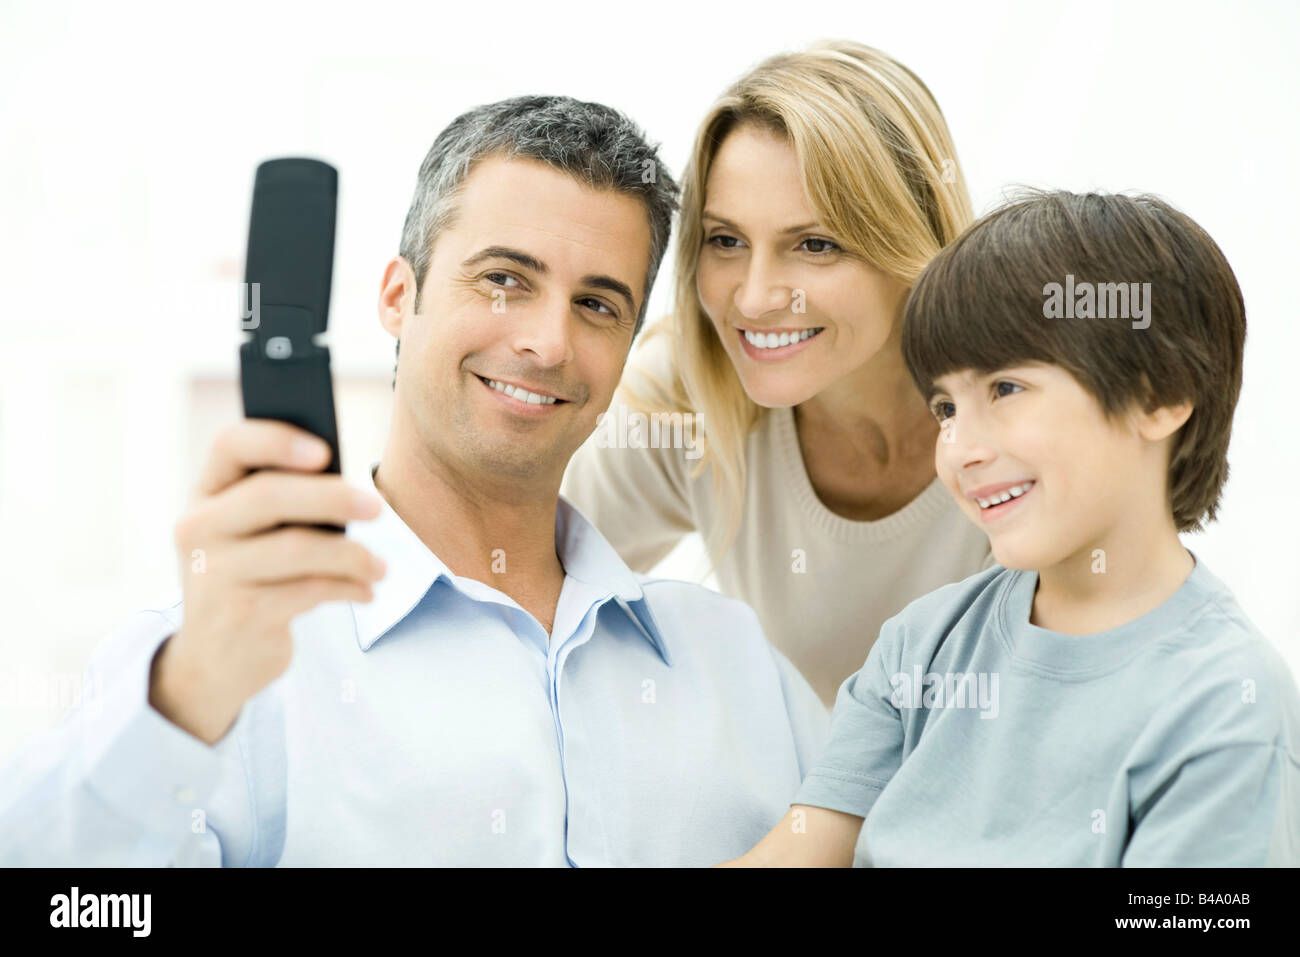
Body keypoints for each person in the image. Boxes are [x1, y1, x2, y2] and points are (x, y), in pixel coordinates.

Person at [0, 95, 829, 866]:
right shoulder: (216, 668)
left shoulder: (744, 667)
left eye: (598, 304)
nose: (546, 342)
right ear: (399, 296)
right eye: (505, 279)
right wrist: (183, 706)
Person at [723, 190, 1300, 866]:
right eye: (944, 406)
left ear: (1159, 394)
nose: (961, 447)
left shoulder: (1225, 707)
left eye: (1004, 389)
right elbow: (797, 855)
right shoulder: (923, 644)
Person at [562, 41, 994, 708]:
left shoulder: (1022, 409)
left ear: (915, 246)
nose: (756, 297)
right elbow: (526, 583)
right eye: (726, 240)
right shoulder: (688, 388)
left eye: (815, 244)